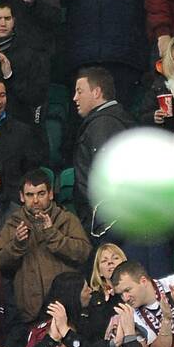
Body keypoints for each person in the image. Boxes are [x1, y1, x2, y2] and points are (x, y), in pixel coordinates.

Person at [0, 169, 91, 325]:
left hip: (68, 311)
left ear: (51, 194)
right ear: (21, 197)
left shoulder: (67, 220)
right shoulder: (13, 224)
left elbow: (84, 253)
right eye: (30, 195)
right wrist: (16, 245)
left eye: (41, 194)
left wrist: (53, 234)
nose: (36, 200)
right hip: (29, 314)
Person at [72, 67, 136, 243]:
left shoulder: (103, 124)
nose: (75, 98)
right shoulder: (112, 120)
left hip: (108, 226)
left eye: (79, 91)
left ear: (97, 92)